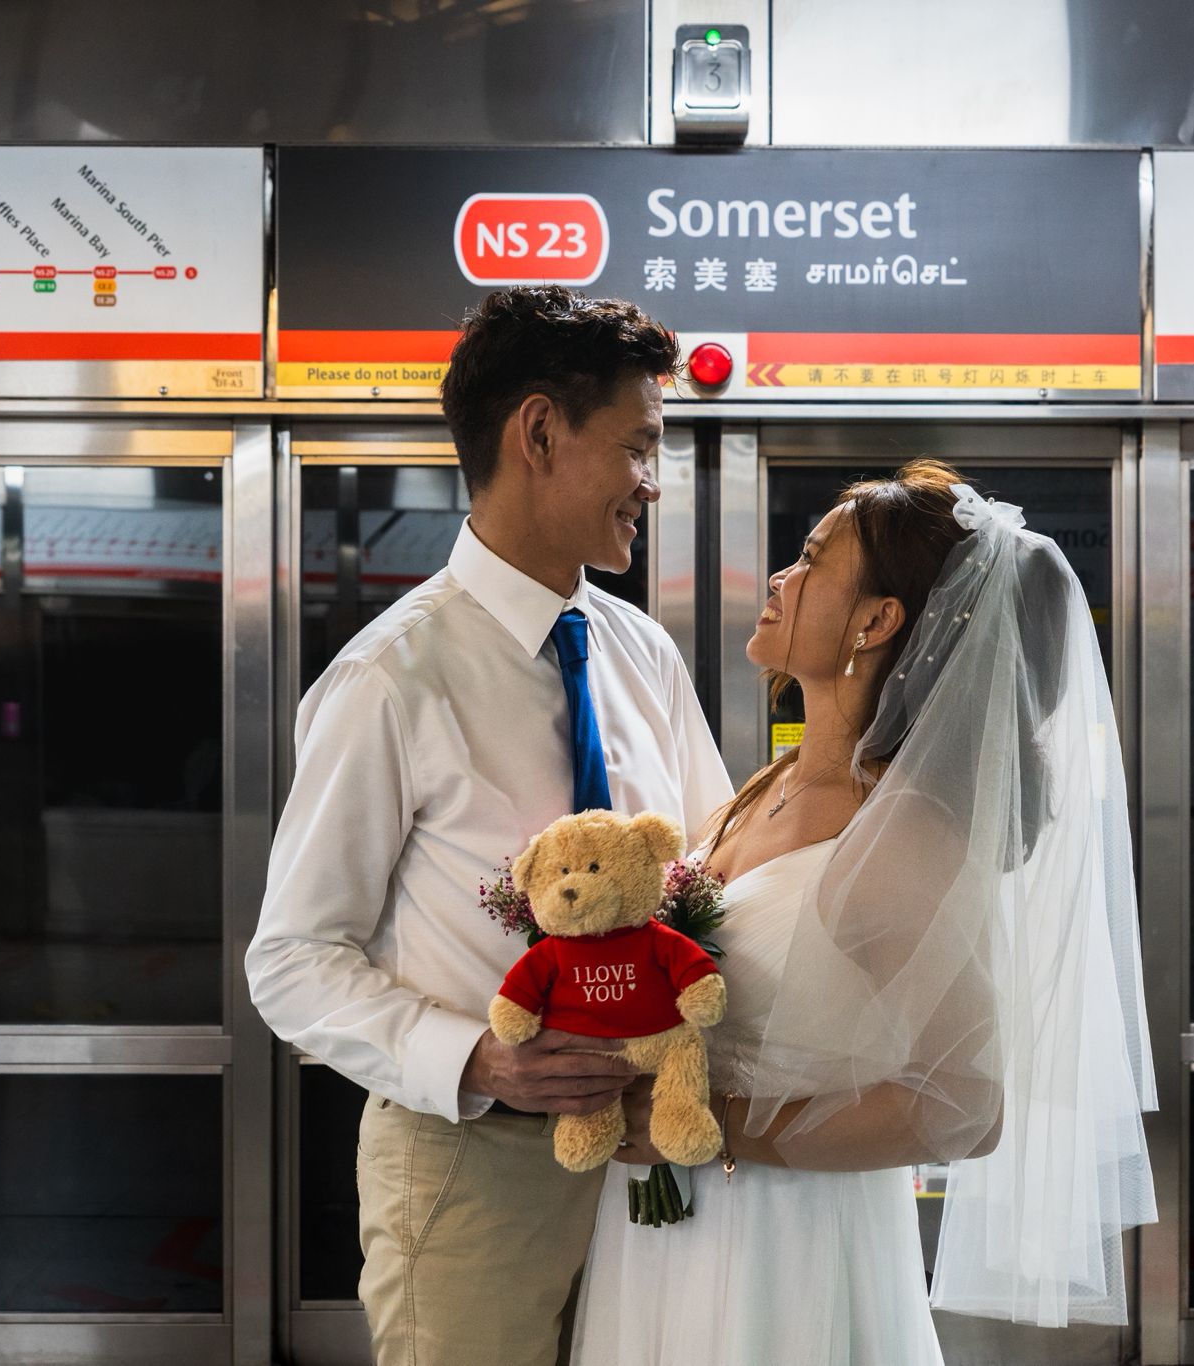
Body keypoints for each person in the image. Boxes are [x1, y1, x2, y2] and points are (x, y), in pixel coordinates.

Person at [573, 461, 1159, 1365]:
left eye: (809, 560)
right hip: (672, 1216)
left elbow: (964, 1104)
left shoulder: (900, 831)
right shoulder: (763, 788)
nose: (780, 579)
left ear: (878, 621)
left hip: (778, 1235)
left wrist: (721, 1125)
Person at [246, 287, 732, 1366]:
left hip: (647, 1162)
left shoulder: (639, 653)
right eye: (637, 445)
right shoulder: (391, 677)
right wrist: (479, 1061)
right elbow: (291, 961)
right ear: (540, 432)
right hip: (472, 1165)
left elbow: (710, 874)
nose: (650, 480)